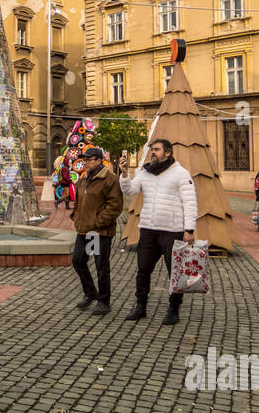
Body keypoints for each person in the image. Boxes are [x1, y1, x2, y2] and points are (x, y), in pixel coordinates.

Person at [119, 139, 198, 325]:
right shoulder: (145, 172)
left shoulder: (181, 173)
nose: (152, 152)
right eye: (151, 149)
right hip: (148, 229)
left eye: (156, 149)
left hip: (173, 231)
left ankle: (173, 309)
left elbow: (190, 203)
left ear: (168, 153)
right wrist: (124, 174)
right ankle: (140, 306)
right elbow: (130, 190)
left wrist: (189, 230)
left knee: (175, 272)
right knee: (143, 270)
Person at [70, 146, 123, 316]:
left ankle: (103, 301)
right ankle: (90, 293)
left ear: (99, 160)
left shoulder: (110, 179)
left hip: (99, 232)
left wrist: (98, 222)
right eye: (84, 159)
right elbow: (78, 200)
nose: (85, 162)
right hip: (84, 230)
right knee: (78, 260)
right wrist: (75, 216)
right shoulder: (84, 178)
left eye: (88, 159)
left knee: (101, 266)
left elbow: (115, 206)